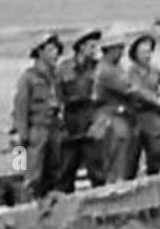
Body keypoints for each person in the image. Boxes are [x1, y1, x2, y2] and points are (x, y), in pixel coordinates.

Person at [89, 29, 160, 183]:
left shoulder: (116, 67)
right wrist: (159, 102)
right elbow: (132, 90)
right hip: (111, 121)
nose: (121, 52)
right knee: (118, 167)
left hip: (122, 119)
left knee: (128, 163)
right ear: (110, 50)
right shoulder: (107, 70)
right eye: (119, 49)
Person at [10, 31, 64, 198]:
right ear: (40, 53)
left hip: (53, 129)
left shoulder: (55, 77)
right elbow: (20, 108)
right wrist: (22, 135)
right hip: (35, 131)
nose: (55, 54)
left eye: (56, 50)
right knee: (32, 175)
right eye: (50, 50)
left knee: (54, 172)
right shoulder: (28, 78)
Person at [55, 28, 105, 191]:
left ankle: (102, 207)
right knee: (67, 168)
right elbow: (56, 96)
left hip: (90, 117)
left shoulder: (98, 68)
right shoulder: (64, 68)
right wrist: (60, 122)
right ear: (81, 47)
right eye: (91, 46)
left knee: (96, 166)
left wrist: (98, 123)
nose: (95, 50)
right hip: (70, 121)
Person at [124, 31, 160, 177]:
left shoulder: (156, 71)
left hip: (154, 118)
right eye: (143, 52)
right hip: (136, 118)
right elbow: (137, 92)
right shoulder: (130, 72)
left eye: (149, 51)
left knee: (156, 154)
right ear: (135, 53)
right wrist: (158, 101)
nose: (147, 55)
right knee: (131, 159)